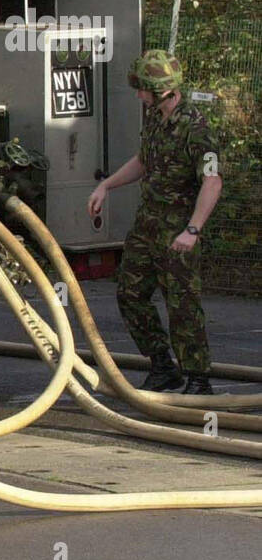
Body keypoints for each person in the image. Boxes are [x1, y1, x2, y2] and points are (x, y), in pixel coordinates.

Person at [87, 49, 222, 396]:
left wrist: (192, 230)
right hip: (147, 226)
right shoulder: (154, 119)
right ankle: (162, 366)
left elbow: (212, 181)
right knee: (130, 294)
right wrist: (106, 186)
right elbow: (143, 161)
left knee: (182, 305)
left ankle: (197, 378)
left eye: (143, 88)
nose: (138, 94)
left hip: (178, 231)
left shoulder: (196, 128)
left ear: (163, 90)